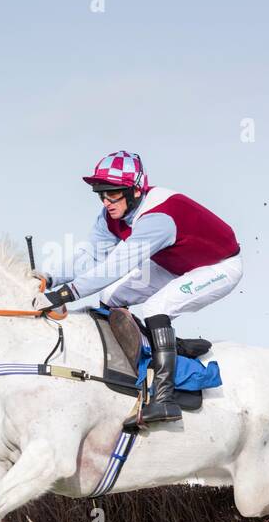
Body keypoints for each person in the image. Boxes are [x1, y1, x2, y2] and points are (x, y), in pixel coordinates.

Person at [35, 151, 242, 428]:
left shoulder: (158, 217)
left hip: (219, 266)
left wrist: (62, 295)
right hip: (173, 263)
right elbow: (92, 256)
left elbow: (113, 267)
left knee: (156, 308)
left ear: (135, 190)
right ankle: (154, 356)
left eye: (113, 195)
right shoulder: (112, 215)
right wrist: (50, 277)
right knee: (111, 298)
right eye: (101, 194)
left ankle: (165, 399)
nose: (106, 202)